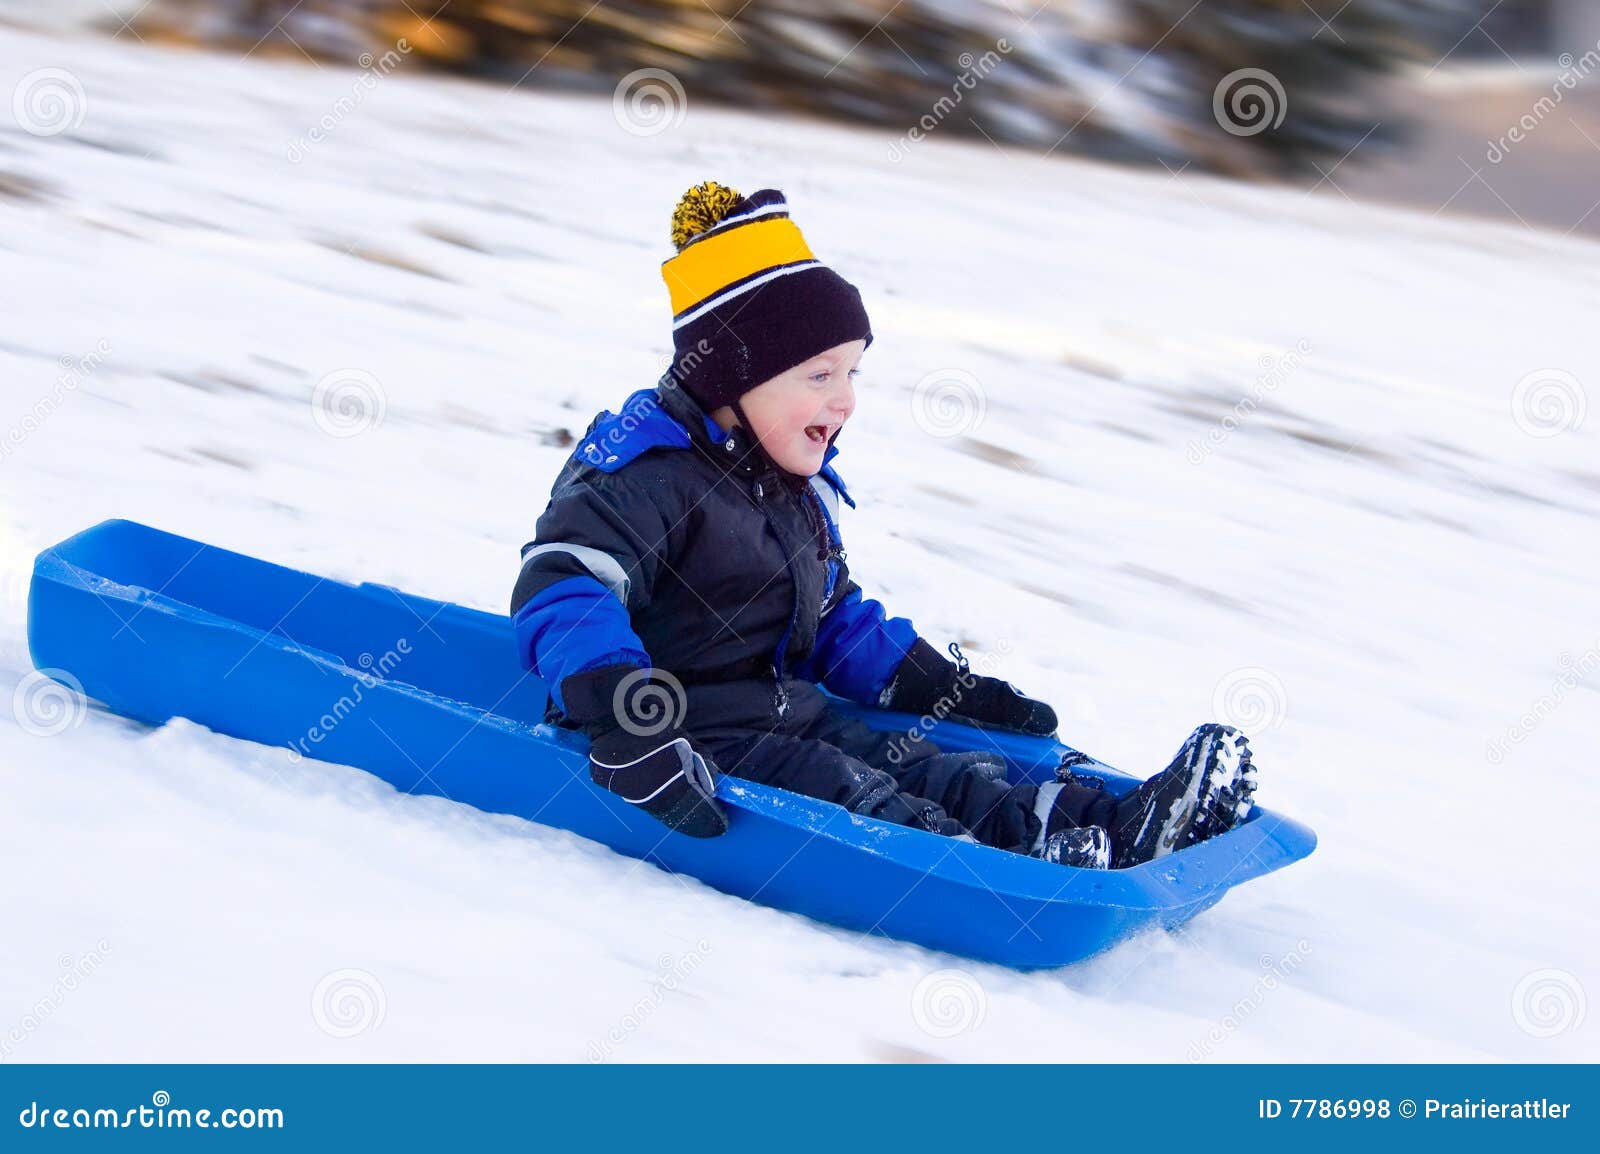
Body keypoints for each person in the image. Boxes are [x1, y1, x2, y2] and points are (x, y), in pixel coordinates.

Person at [510, 181, 1257, 870]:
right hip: (684, 740)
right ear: (734, 377)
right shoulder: (645, 475)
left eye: (852, 373)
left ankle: (1121, 823)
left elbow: (835, 623)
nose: (845, 402)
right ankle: (1013, 873)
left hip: (783, 714)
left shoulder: (792, 490)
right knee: (852, 790)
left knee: (923, 764)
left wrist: (946, 689)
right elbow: (564, 589)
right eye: (819, 375)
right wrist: (627, 722)